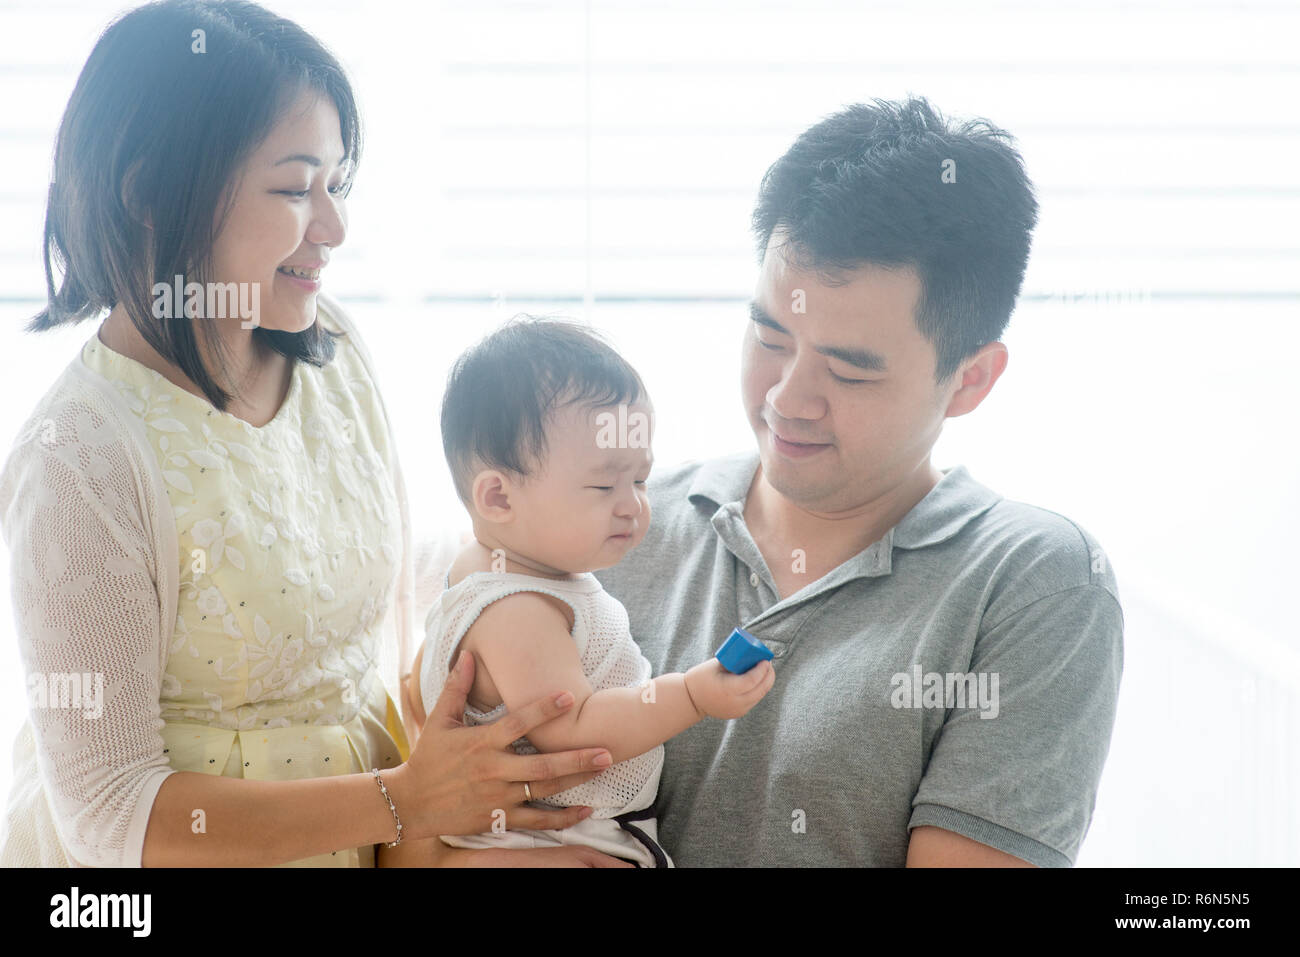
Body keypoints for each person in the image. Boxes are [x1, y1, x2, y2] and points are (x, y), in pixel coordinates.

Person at [424, 97, 1125, 866]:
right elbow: (416, 832)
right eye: (769, 335)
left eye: (851, 368)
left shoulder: (1034, 582)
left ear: (970, 380)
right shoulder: (596, 524)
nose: (787, 396)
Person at [0, 0, 617, 869]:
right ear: (147, 192)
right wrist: (405, 801)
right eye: (294, 188)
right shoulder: (80, 458)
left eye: (339, 185)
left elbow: (381, 638)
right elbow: (111, 815)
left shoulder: (335, 354)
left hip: (379, 828)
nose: (332, 227)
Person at [406, 318, 775, 867]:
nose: (632, 505)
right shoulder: (516, 608)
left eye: (641, 479)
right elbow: (573, 734)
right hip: (546, 843)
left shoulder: (509, 570)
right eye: (605, 485)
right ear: (499, 498)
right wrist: (693, 695)